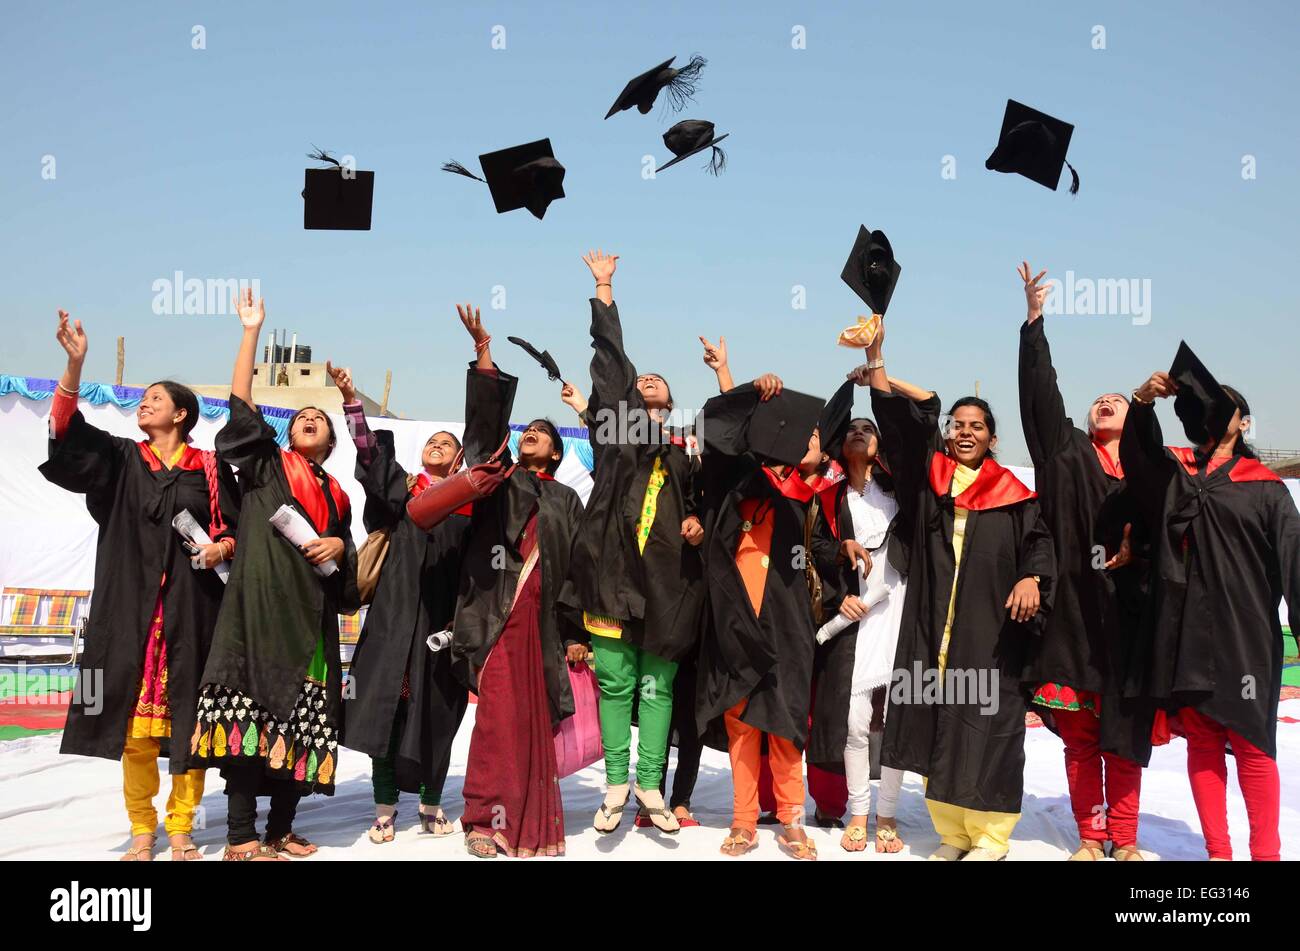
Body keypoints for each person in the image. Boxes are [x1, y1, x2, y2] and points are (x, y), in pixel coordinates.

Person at [39, 310, 240, 862]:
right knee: (132, 733)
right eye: (142, 398)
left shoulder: (212, 468)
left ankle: (182, 830)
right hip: (127, 611)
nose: (144, 404)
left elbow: (238, 530)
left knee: (189, 726)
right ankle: (143, 830)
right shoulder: (124, 458)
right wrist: (75, 364)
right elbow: (65, 435)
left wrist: (223, 547)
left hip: (193, 612)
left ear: (182, 413)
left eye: (155, 398)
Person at [868, 322, 1056, 861]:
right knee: (938, 729)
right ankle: (953, 835)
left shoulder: (1016, 496)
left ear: (993, 438)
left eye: (977, 425)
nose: (966, 431)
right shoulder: (933, 483)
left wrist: (1031, 577)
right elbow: (906, 426)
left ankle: (991, 838)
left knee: (989, 728)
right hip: (933, 630)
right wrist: (878, 357)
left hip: (989, 633)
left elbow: (1040, 545)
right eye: (959, 425)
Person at [190, 288, 360, 861]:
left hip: (310, 625)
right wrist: (250, 332)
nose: (310, 418)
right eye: (303, 417)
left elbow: (348, 566)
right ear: (288, 435)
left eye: (320, 418)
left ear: (330, 443)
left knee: (303, 726)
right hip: (258, 616)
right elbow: (240, 406)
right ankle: (240, 836)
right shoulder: (266, 467)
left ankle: (281, 830)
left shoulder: (338, 496)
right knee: (248, 725)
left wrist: (340, 541)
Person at [1120, 363, 1298, 861]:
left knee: (1254, 746)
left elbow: (1295, 566)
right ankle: (1218, 852)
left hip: (1245, 634)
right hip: (1186, 630)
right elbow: (1136, 461)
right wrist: (1142, 402)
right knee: (1202, 742)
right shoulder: (1178, 471)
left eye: (1228, 407)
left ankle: (1266, 854)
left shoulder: (1266, 487)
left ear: (1243, 422)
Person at [556, 250, 706, 835]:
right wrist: (603, 288)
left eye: (657, 381)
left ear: (670, 403)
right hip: (612, 578)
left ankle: (651, 783)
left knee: (657, 684)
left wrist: (697, 522)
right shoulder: (617, 433)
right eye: (640, 379)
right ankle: (617, 782)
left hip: (668, 584)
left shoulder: (688, 449)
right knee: (616, 683)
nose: (645, 381)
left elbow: (710, 501)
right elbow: (612, 365)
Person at [1016, 261, 1152, 861]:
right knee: (1082, 741)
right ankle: (1091, 837)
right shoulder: (1066, 454)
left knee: (1123, 739)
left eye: (1117, 400)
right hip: (1072, 618)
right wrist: (1034, 322)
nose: (1105, 401)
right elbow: (1042, 397)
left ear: (1137, 421)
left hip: (1130, 622)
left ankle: (1125, 838)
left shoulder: (1153, 473)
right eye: (1099, 399)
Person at [449, 304, 588, 859]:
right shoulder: (497, 481)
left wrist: (576, 630)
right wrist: (484, 357)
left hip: (543, 626)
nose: (530, 435)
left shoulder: (565, 499)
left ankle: (524, 819)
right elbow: (481, 438)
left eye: (540, 433)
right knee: (497, 718)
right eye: (525, 430)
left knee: (533, 723)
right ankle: (483, 819)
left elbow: (576, 567)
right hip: (497, 615)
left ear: (556, 450)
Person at [701, 335, 850, 829]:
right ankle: (743, 819)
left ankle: (790, 819)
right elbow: (727, 437)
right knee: (740, 720)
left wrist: (845, 546)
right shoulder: (744, 479)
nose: (808, 443)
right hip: (738, 614)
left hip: (787, 620)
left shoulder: (816, 494)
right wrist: (734, 379)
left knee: (785, 722)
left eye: (813, 438)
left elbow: (824, 549)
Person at [333, 362, 471, 843]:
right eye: (431, 441)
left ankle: (432, 806)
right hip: (392, 622)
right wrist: (352, 401)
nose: (436, 446)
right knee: (386, 714)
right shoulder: (404, 489)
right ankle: (385, 808)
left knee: (437, 717)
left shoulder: (467, 504)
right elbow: (368, 453)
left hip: (440, 627)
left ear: (458, 462)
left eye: (446, 444)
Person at [809, 411, 909, 854]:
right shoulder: (828, 496)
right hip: (851, 615)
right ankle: (859, 812)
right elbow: (813, 548)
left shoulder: (900, 490)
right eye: (852, 429)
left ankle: (887, 813)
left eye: (869, 428)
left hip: (900, 610)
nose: (859, 433)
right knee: (853, 723)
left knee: (895, 720)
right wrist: (839, 594)